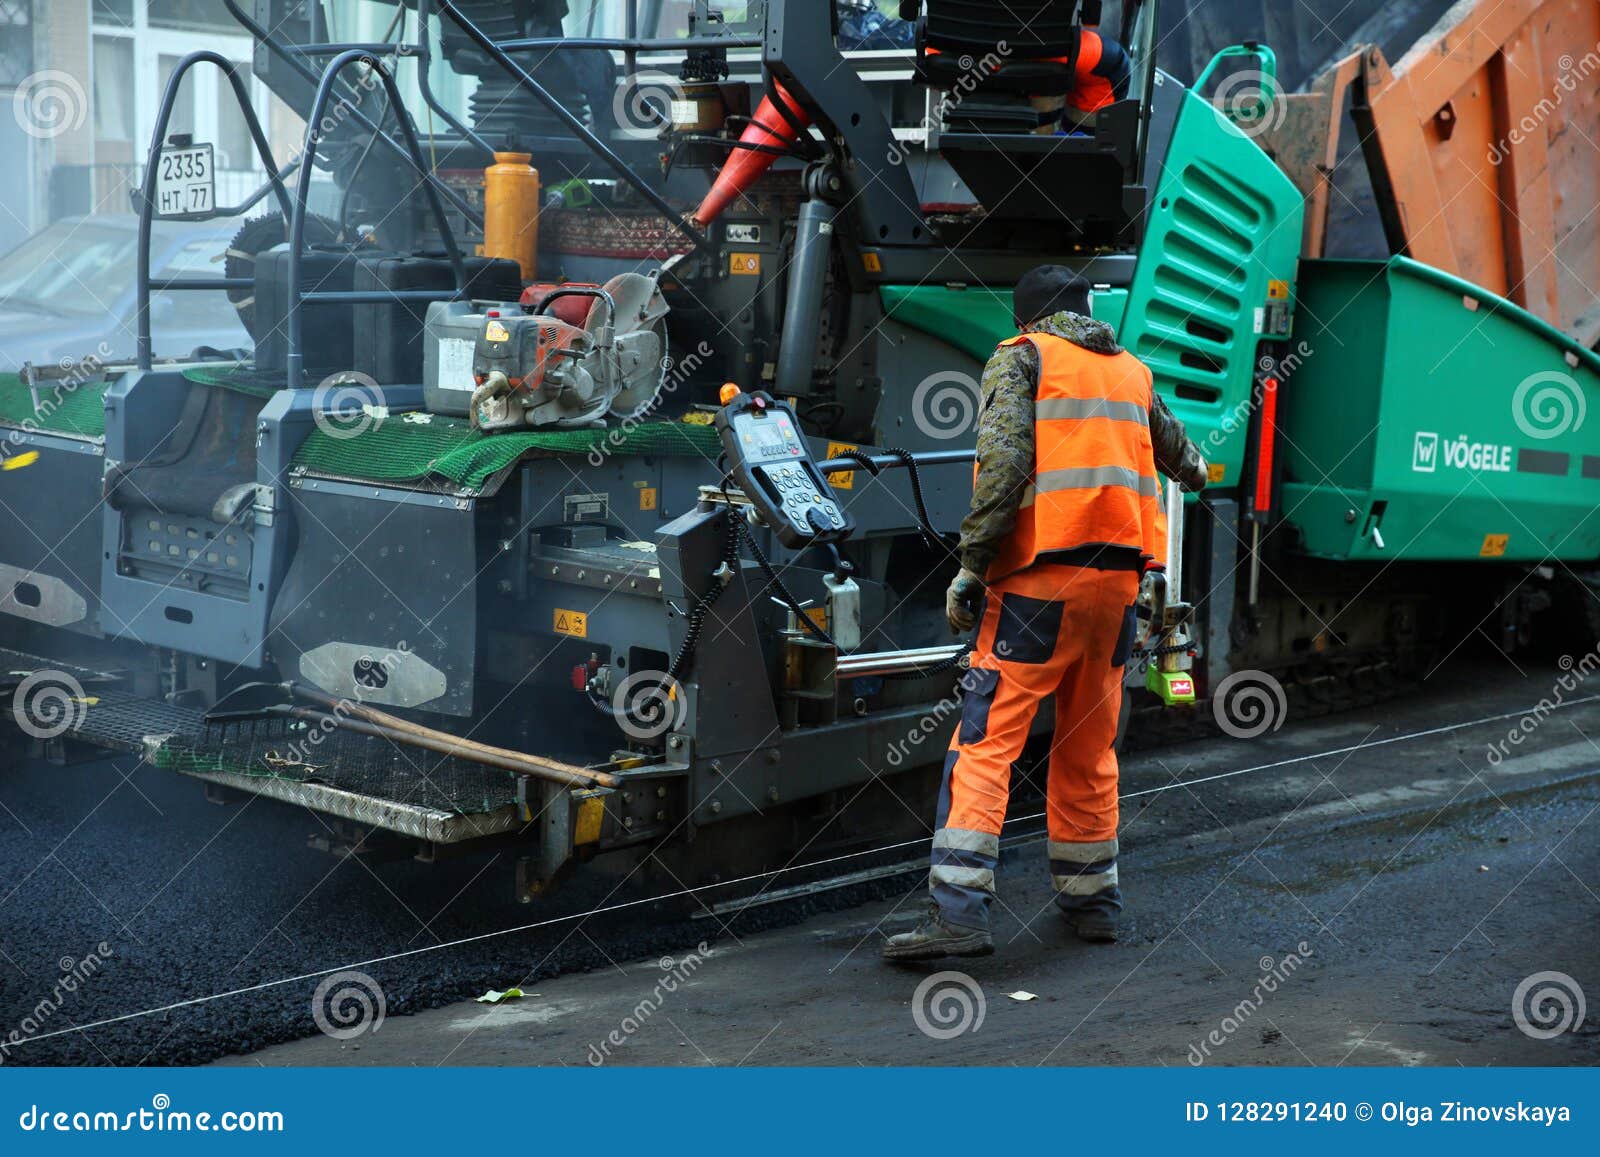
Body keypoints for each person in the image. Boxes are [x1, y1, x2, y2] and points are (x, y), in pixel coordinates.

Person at [883, 266, 1207, 960]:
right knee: (1089, 745)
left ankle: (958, 913)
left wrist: (973, 564)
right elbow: (1188, 461)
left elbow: (1003, 467)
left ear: (1025, 318)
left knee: (986, 741)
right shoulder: (1132, 372)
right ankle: (1093, 904)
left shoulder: (1022, 356)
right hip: (1117, 589)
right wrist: (1188, 471)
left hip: (1041, 582)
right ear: (1089, 312)